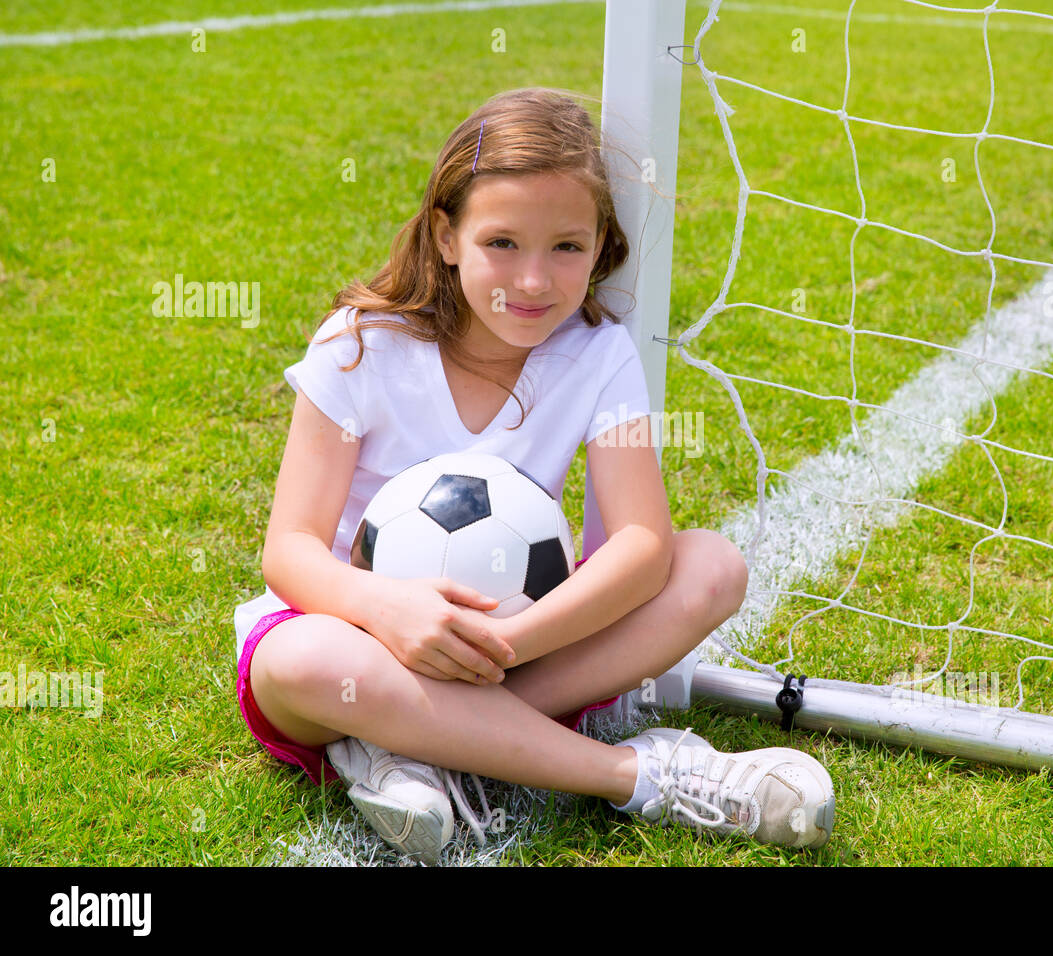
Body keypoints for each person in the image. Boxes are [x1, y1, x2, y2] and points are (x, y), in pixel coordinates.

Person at [230, 87, 835, 863]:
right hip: (352, 646)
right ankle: (641, 776)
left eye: (567, 248)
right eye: (503, 243)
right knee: (302, 661)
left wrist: (505, 643)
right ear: (448, 237)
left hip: (522, 647)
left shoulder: (597, 354)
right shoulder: (362, 343)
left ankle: (414, 746)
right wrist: (390, 614)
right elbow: (291, 550)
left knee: (711, 566)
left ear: (601, 246)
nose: (534, 281)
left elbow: (644, 544)